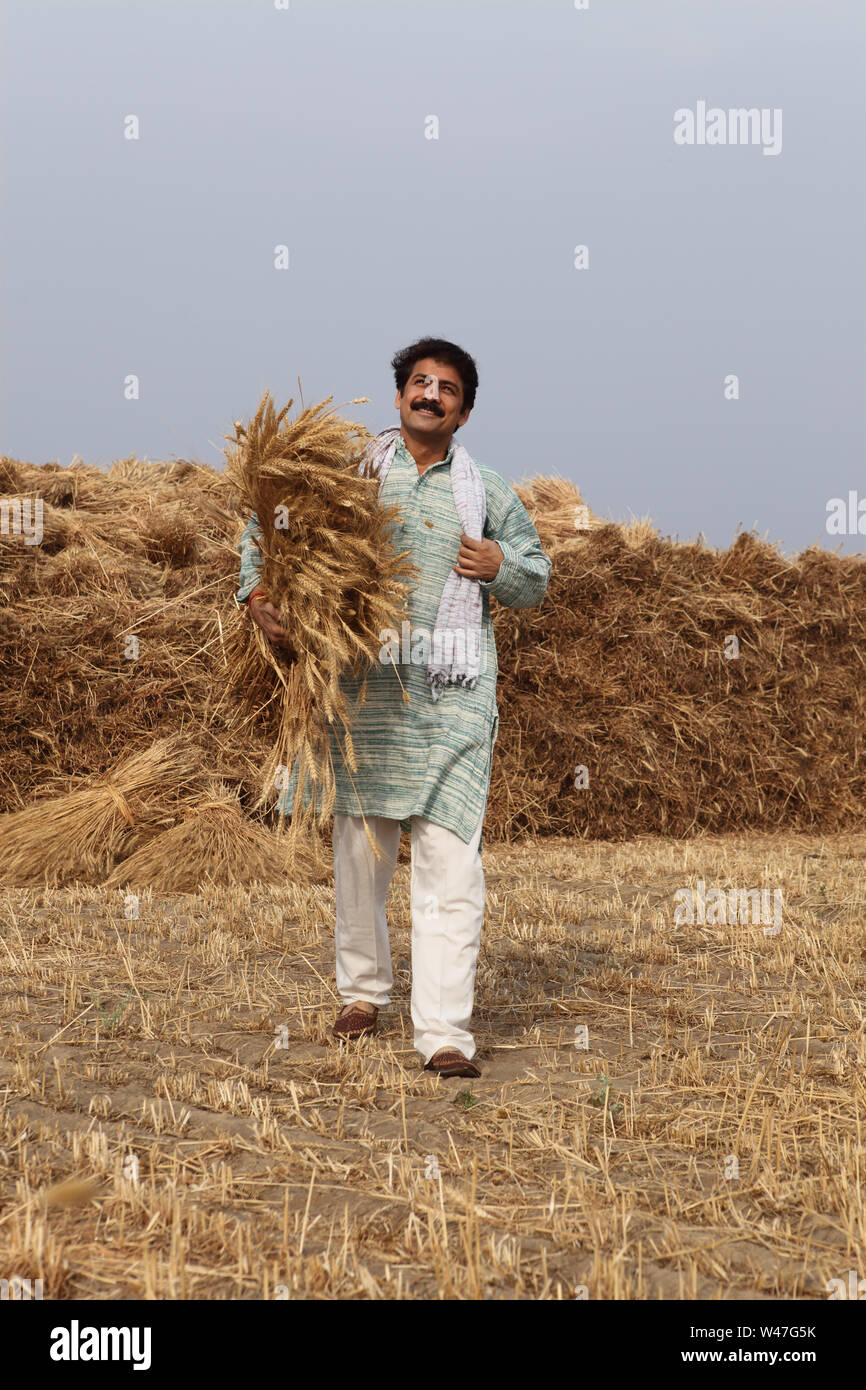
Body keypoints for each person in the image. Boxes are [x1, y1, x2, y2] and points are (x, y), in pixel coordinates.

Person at [236, 337, 551, 1078]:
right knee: (360, 849)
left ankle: (443, 1034)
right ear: (400, 394)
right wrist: (256, 594)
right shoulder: (351, 477)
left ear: (464, 411)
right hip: (364, 691)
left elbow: (537, 576)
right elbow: (265, 523)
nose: (431, 394)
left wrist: (502, 565)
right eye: (420, 382)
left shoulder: (488, 492)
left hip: (452, 699)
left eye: (447, 388)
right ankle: (362, 991)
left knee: (449, 861)